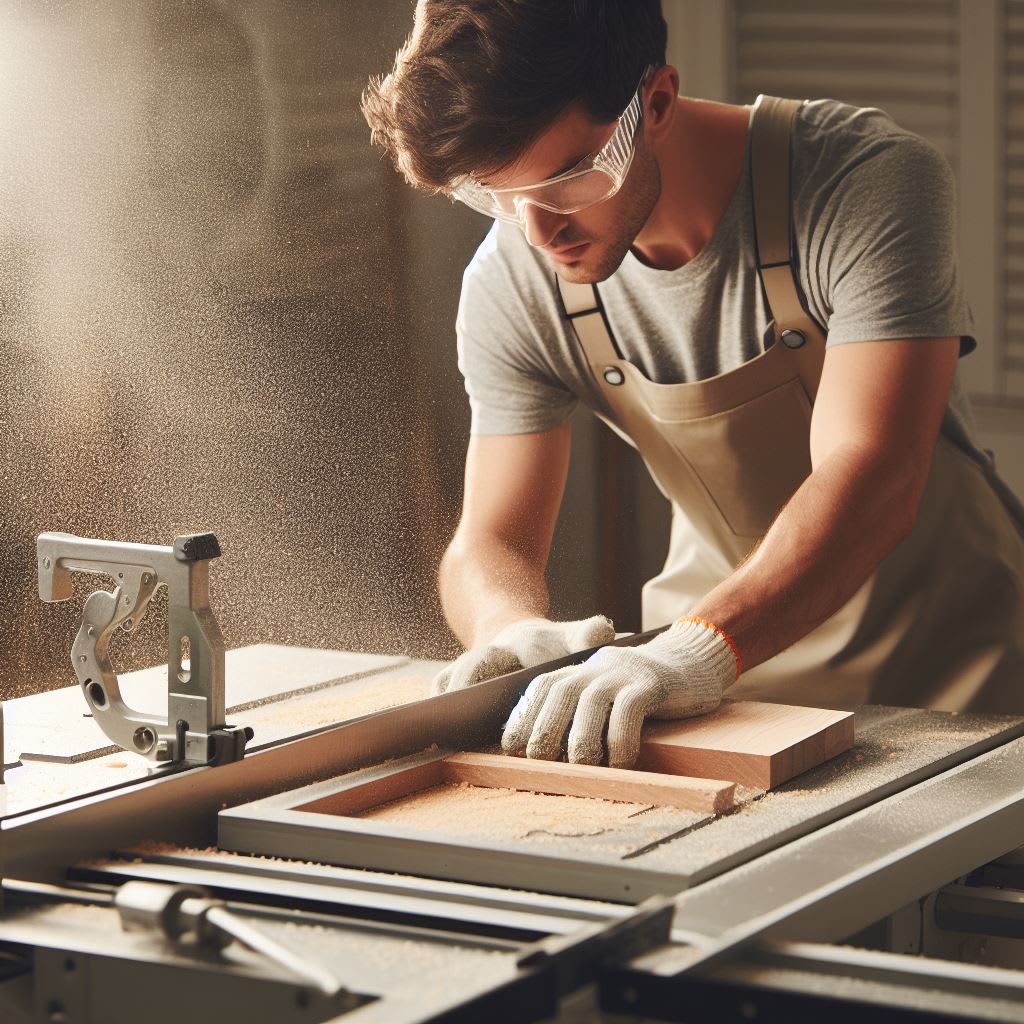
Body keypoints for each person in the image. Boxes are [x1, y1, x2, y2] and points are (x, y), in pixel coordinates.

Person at [361, 0, 1024, 770]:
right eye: (498, 196)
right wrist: (509, 630)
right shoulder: (515, 278)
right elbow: (492, 539)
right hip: (716, 697)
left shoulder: (863, 180)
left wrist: (701, 648)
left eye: (570, 179)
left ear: (659, 102)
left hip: (956, 680)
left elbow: (874, 475)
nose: (540, 232)